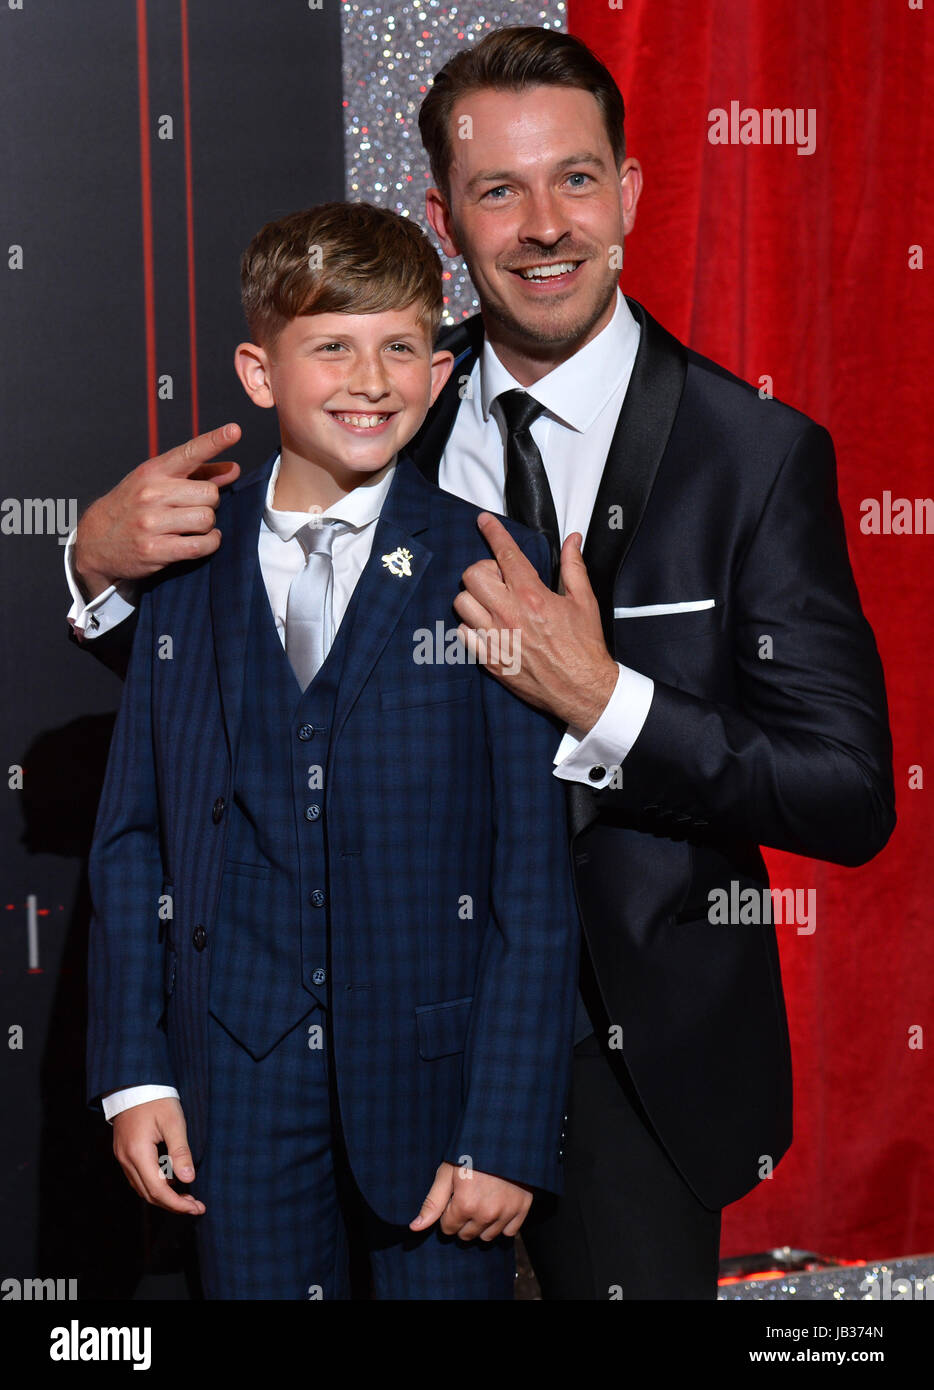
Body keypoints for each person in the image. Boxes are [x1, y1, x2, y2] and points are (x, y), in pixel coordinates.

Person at [70, 28, 896, 1300]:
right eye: (497, 190)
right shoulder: (379, 384)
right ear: (444, 215)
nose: (543, 224)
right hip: (358, 1022)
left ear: (628, 193)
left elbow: (845, 791)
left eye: (574, 179)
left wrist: (605, 700)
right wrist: (96, 566)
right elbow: (234, 702)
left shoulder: (757, 452)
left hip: (622, 1052)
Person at [84, 200, 581, 1300]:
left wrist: (504, 1125)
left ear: (440, 373)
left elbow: (531, 881)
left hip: (436, 1095)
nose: (370, 379)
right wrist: (134, 1071)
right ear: (260, 374)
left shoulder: (491, 564)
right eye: (333, 347)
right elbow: (133, 840)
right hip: (236, 1083)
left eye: (400, 346)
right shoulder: (181, 564)